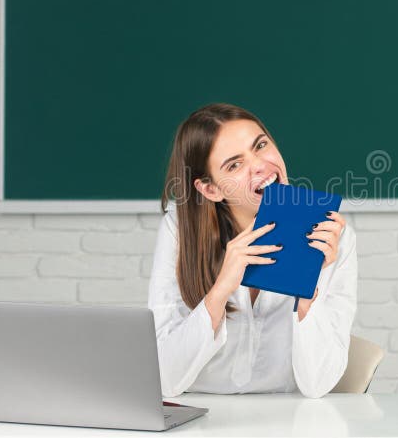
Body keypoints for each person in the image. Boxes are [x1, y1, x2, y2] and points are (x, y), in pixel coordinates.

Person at [148, 102, 358, 398]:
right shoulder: (180, 231)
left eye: (260, 145)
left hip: (286, 418)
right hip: (202, 417)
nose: (259, 165)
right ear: (211, 189)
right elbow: (165, 380)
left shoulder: (330, 234)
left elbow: (318, 384)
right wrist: (220, 290)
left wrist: (310, 283)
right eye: (234, 164)